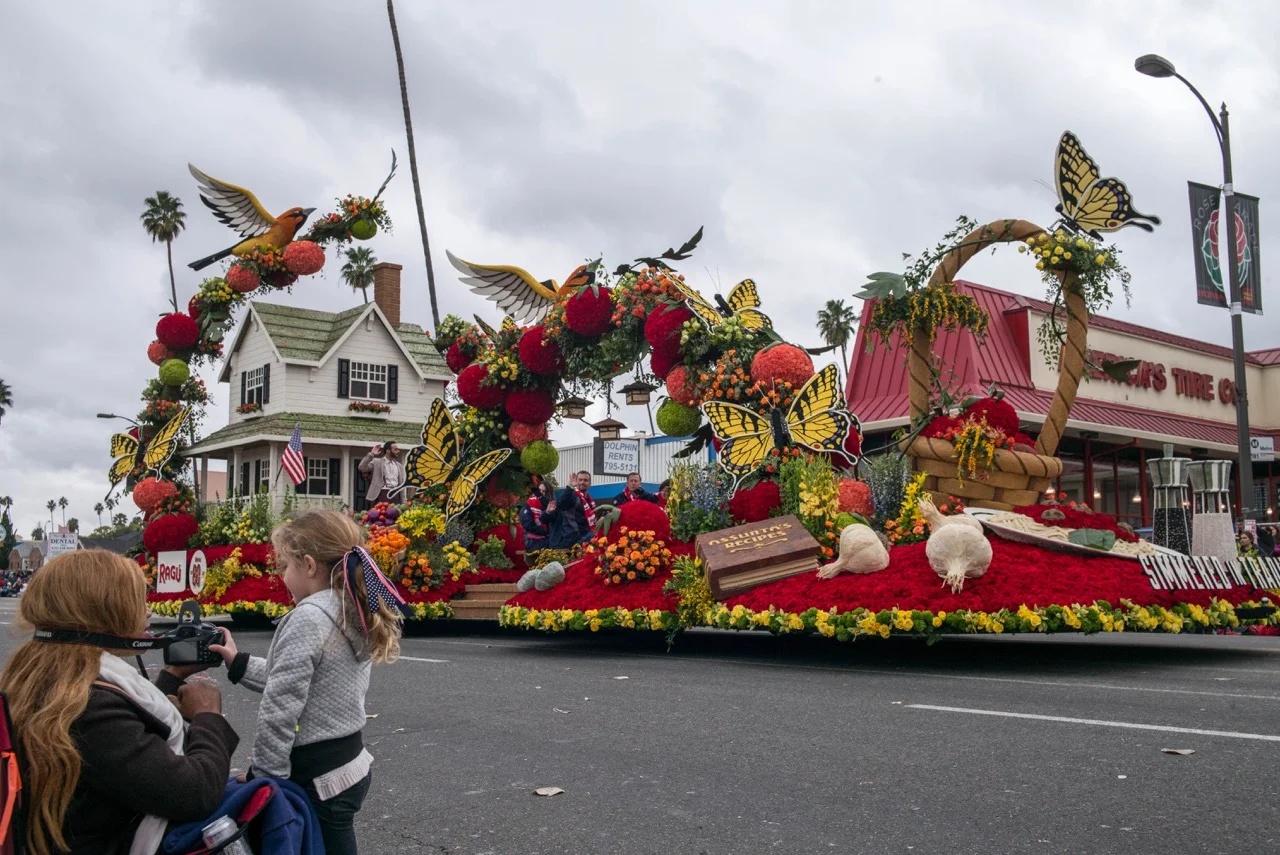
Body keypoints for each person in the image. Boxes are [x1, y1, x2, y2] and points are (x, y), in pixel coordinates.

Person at [0, 550, 238, 855]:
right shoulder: (88, 708)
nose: (148, 611)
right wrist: (208, 716)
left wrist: (171, 678)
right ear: (101, 610)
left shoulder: (51, 677)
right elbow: (195, 792)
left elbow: (129, 744)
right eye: (135, 599)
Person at [211, 509, 408, 855]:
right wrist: (238, 663)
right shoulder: (349, 607)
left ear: (309, 565)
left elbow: (280, 708)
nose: (283, 576)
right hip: (348, 763)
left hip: (318, 778)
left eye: (285, 566)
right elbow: (301, 679)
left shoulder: (308, 618)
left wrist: (264, 775)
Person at [358, 440, 406, 505]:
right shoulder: (377, 462)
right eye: (395, 449)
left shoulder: (399, 466)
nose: (398, 451)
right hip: (382, 493)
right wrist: (371, 454)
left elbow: (402, 485)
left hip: (396, 495)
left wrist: (403, 500)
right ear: (388, 451)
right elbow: (362, 468)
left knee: (396, 511)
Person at [520, 483, 550, 555]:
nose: (540, 493)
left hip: (548, 541)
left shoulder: (549, 506)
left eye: (543, 491)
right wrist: (543, 531)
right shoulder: (529, 504)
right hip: (533, 541)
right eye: (539, 490)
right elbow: (528, 524)